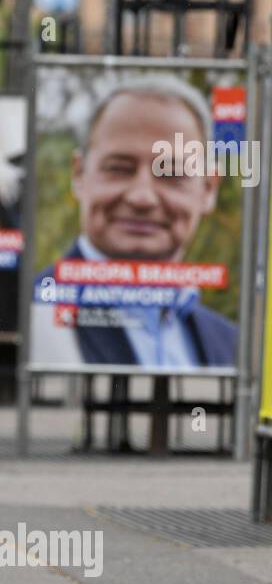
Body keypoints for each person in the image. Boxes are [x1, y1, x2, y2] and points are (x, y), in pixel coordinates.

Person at [30, 76, 236, 368]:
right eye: (119, 169)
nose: (142, 197)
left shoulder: (231, 346)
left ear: (208, 189)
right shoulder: (27, 320)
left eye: (171, 174)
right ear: (79, 175)